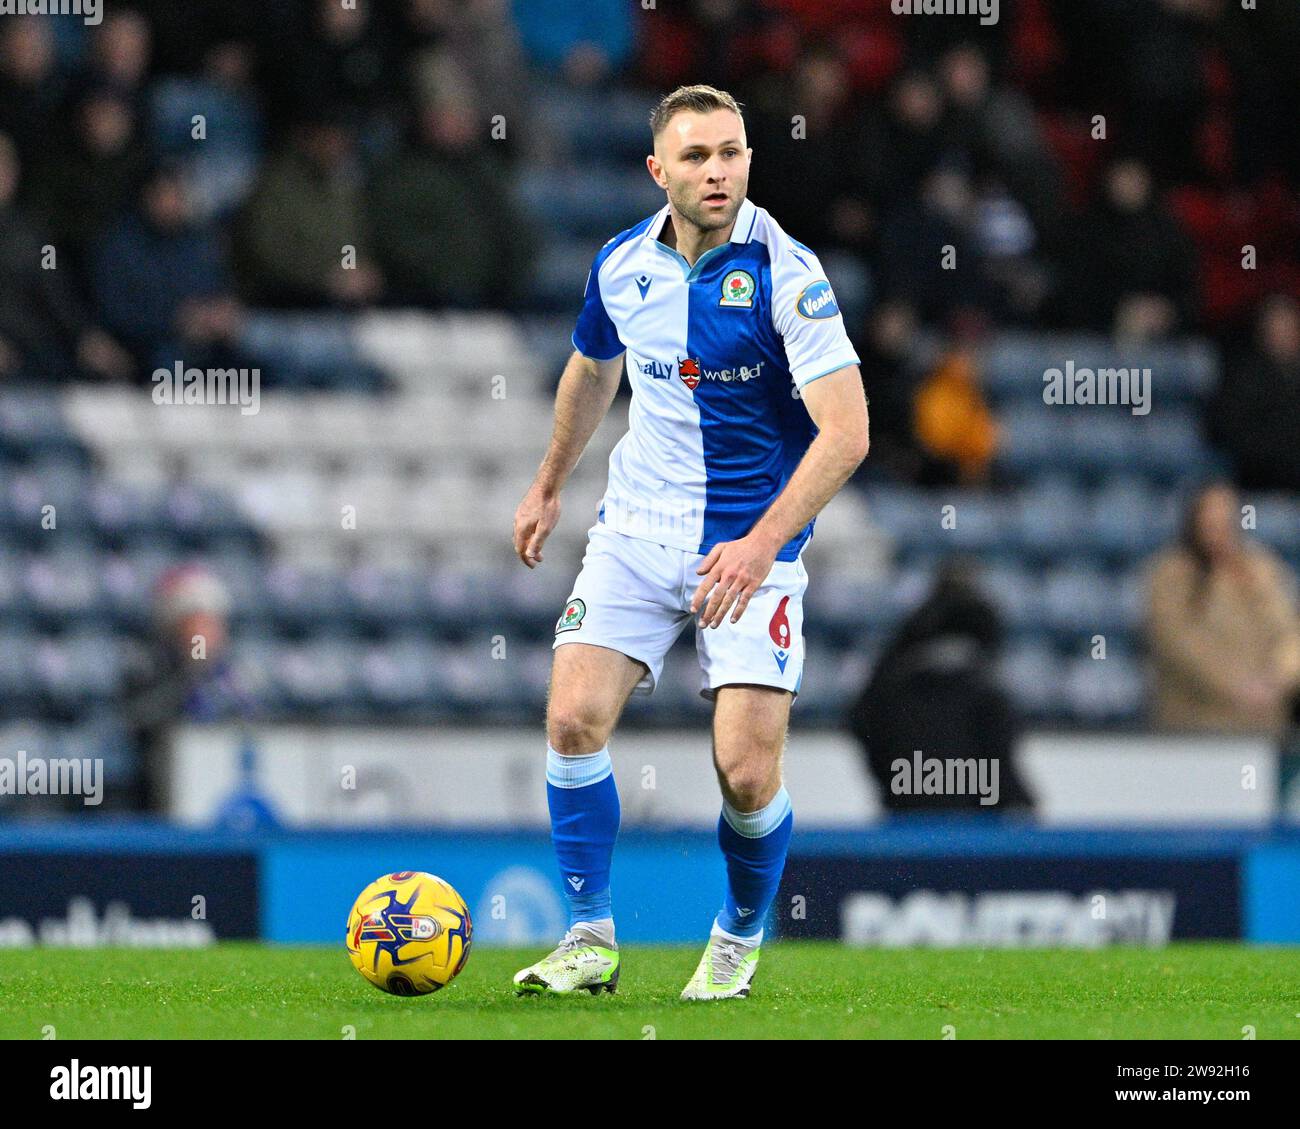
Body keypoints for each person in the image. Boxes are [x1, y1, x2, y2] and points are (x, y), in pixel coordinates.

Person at [511, 85, 869, 1000]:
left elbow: (847, 432)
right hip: (635, 527)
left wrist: (761, 545)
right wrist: (550, 482)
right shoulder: (622, 263)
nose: (718, 172)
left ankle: (738, 938)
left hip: (752, 542)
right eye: (699, 156)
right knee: (570, 718)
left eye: (733, 153)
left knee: (746, 773)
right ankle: (590, 940)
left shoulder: (788, 272)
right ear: (657, 169)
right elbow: (592, 371)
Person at [845, 562, 1034, 814]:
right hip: (945, 818)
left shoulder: (901, 667)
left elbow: (862, 719)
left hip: (915, 813)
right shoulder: (981, 690)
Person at [1146, 482, 1300, 736]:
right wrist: (1236, 687)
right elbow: (1177, 644)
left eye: (1225, 517)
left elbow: (1291, 631)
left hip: (1266, 729)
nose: (1218, 528)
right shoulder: (1171, 574)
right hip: (1195, 729)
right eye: (1210, 518)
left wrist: (1277, 680)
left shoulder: (1262, 568)